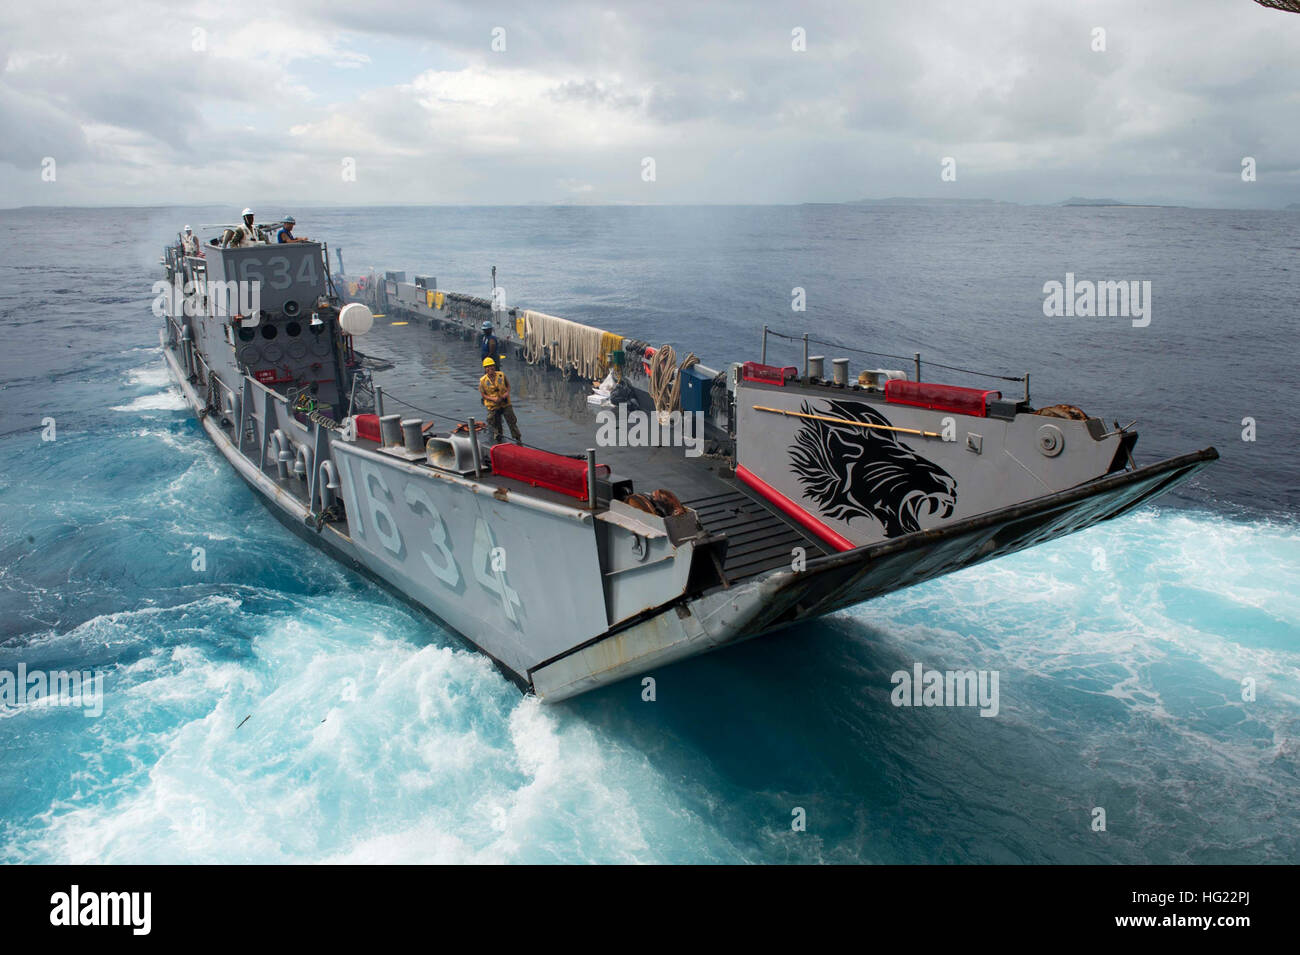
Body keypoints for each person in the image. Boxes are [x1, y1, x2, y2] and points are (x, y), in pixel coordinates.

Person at [479, 356, 522, 445]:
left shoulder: (501, 375)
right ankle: (499, 441)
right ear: (485, 369)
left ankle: (518, 440)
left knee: (512, 421)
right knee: (495, 424)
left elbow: (508, 386)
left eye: (491, 366)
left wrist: (506, 394)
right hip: (493, 405)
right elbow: (483, 394)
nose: (490, 368)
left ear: (494, 366)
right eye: (487, 367)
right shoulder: (483, 381)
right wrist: (493, 399)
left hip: (505, 403)